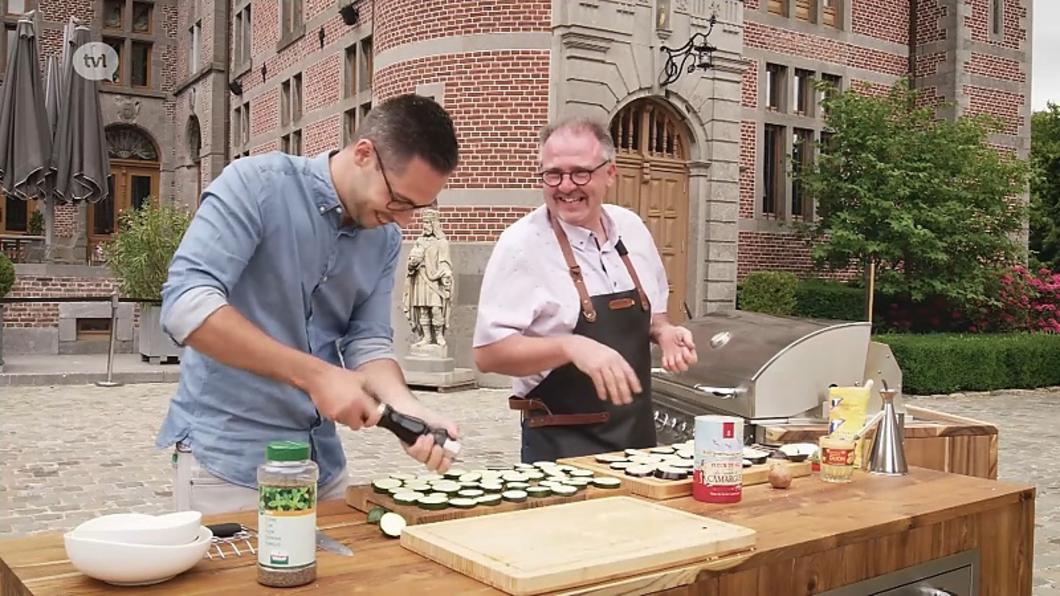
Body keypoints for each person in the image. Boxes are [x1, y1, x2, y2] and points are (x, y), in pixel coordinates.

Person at [157, 94, 461, 514]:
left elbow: (368, 341)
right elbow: (185, 304)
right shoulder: (254, 184)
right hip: (229, 466)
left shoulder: (385, 238)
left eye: (419, 207)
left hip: (325, 469)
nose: (406, 221)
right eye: (400, 200)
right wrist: (315, 375)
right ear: (363, 154)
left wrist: (407, 408)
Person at [473, 117, 698, 462]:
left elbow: (656, 317)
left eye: (580, 172)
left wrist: (665, 333)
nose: (565, 186)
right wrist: (571, 346)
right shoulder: (521, 245)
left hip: (638, 442)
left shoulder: (632, 228)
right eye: (553, 174)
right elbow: (488, 354)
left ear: (610, 173)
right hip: (561, 446)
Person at [402, 209, 453, 349]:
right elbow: (412, 258)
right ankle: (426, 337)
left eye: (427, 223)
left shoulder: (441, 242)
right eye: (423, 222)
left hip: (434, 280)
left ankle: (439, 336)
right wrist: (412, 264)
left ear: (434, 224)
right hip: (420, 278)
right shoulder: (420, 241)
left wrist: (445, 273)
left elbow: (445, 261)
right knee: (423, 309)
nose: (424, 225)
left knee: (436, 308)